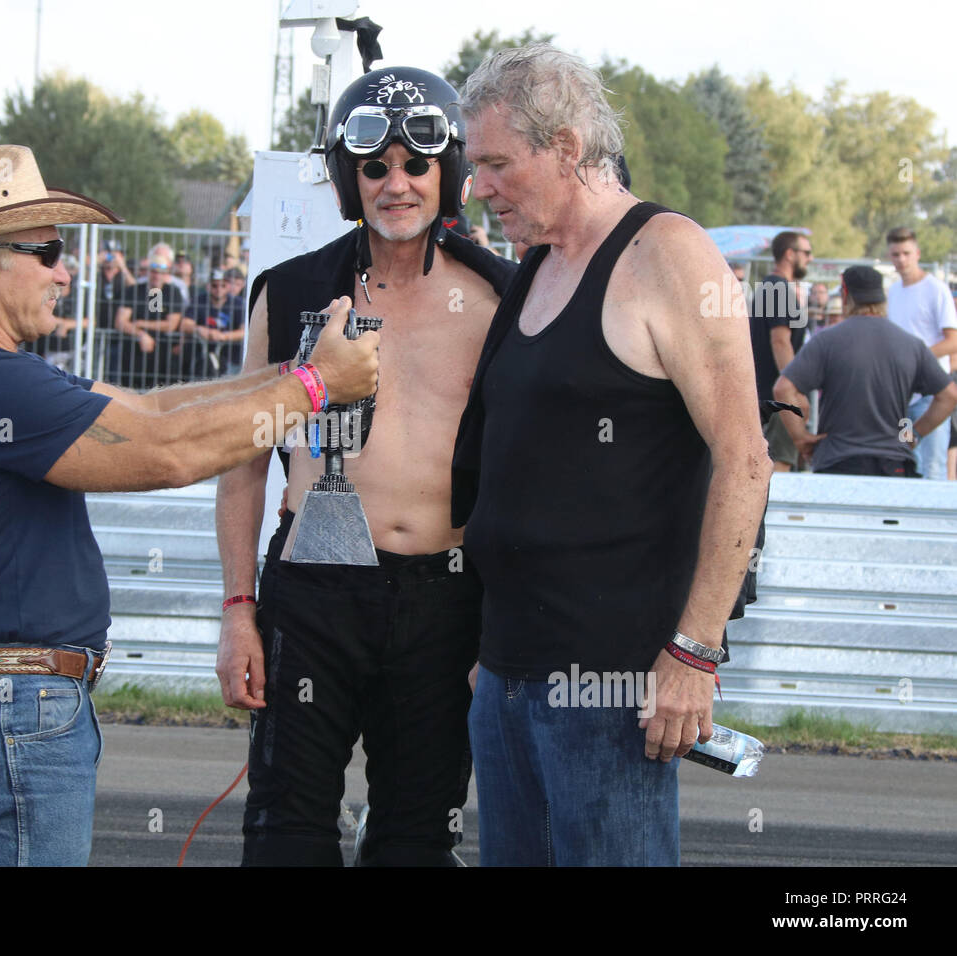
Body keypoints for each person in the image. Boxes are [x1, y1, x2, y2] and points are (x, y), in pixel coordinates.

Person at [0, 144, 377, 867]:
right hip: (8, 712)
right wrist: (316, 389)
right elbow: (166, 452)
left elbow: (146, 407)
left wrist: (290, 373)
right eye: (46, 250)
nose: (65, 269)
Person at [453, 44, 771, 866]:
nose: (476, 186)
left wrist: (693, 654)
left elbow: (745, 462)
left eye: (494, 163)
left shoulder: (668, 253)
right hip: (509, 675)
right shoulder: (537, 267)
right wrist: (490, 660)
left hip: (614, 686)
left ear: (565, 147)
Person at [215, 66, 513, 866]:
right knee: (285, 829)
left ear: (445, 171)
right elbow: (243, 466)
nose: (396, 185)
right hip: (312, 590)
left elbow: (528, 475)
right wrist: (239, 611)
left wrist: (504, 629)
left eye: (415, 166)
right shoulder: (289, 292)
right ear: (350, 179)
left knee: (417, 837)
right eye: (375, 168)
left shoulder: (501, 299)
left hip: (446, 596)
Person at [774, 266, 957, 476]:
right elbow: (949, 395)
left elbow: (783, 388)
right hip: (893, 462)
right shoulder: (911, 344)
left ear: (845, 295)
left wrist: (801, 438)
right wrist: (911, 435)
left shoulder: (826, 341)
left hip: (837, 461)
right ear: (883, 298)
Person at [885, 227, 957, 480]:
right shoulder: (893, 291)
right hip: (903, 397)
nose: (901, 259)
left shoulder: (936, 290)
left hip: (932, 396)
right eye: (895, 254)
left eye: (906, 253)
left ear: (917, 253)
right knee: (906, 461)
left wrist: (916, 356)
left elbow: (953, 340)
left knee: (933, 465)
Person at [749, 230, 813, 471]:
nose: (810, 258)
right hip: (778, 397)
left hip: (769, 394)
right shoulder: (777, 288)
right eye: (806, 252)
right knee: (780, 468)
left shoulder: (772, 286)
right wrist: (793, 388)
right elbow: (780, 342)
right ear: (789, 254)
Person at [113, 258, 185, 387]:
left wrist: (141, 324)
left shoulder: (173, 292)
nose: (157, 275)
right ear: (147, 272)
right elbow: (120, 322)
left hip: (163, 355)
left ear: (167, 274)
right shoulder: (133, 291)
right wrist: (141, 334)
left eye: (161, 272)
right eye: (153, 271)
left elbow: (171, 325)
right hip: (133, 354)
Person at [180, 269, 244, 378]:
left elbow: (244, 331)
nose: (218, 289)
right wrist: (199, 329)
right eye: (215, 285)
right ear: (208, 286)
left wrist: (224, 336)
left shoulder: (238, 303)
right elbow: (185, 324)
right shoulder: (199, 300)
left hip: (228, 354)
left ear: (228, 286)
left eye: (223, 285)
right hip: (201, 353)